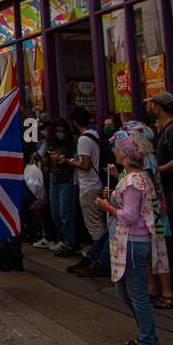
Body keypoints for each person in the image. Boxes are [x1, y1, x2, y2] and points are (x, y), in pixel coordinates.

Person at [95, 124, 163, 345]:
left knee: (137, 294)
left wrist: (108, 207)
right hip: (128, 242)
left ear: (126, 151)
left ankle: (147, 342)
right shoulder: (134, 177)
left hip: (133, 242)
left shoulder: (134, 181)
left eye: (117, 147)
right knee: (124, 291)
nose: (114, 149)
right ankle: (147, 334)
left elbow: (130, 216)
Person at [147, 91, 173, 309]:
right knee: (170, 239)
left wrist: (156, 170)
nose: (151, 109)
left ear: (159, 107)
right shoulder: (164, 131)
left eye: (153, 105)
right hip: (167, 190)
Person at [66, 106, 106, 274]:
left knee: (94, 226)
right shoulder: (95, 135)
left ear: (74, 122)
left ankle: (101, 259)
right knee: (99, 222)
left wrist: (70, 162)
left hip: (88, 186)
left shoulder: (83, 140)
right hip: (97, 184)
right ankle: (98, 256)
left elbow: (85, 164)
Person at [44, 117, 79, 257]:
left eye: (62, 131)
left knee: (66, 212)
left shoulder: (73, 142)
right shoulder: (51, 143)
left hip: (67, 178)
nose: (60, 133)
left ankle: (71, 242)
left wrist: (63, 159)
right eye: (57, 131)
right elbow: (45, 157)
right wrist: (49, 159)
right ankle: (65, 239)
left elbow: (78, 159)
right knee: (56, 214)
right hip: (54, 178)